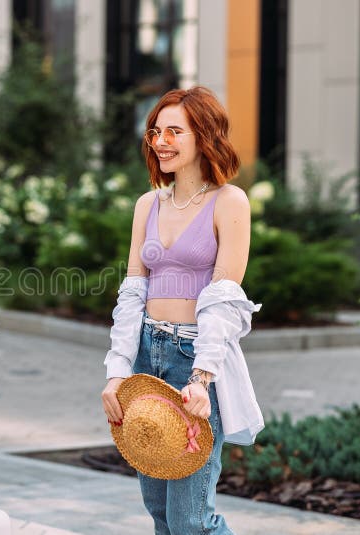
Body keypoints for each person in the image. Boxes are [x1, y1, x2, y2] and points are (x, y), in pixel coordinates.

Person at [101, 86, 264, 535]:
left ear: (204, 136)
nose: (161, 141)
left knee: (190, 519)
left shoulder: (229, 202)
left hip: (193, 359)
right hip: (145, 359)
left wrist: (201, 376)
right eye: (156, 131)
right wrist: (116, 372)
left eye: (175, 131)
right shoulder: (147, 204)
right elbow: (133, 291)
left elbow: (225, 299)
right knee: (160, 513)